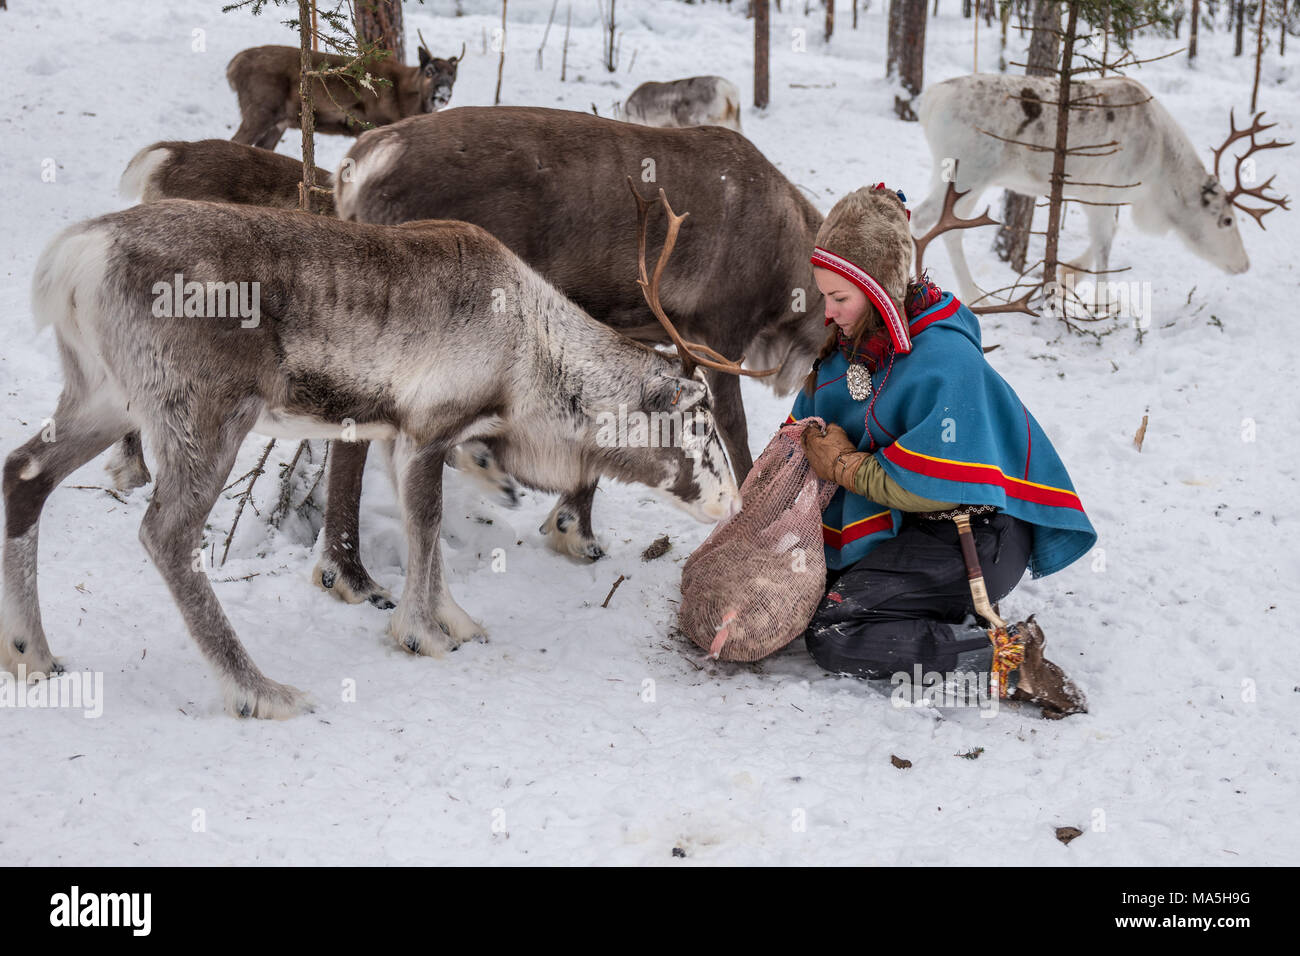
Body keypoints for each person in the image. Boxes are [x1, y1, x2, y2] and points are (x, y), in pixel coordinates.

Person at [787, 183, 1097, 714]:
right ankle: (928, 613)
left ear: (881, 289)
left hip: (977, 534)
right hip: (918, 531)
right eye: (824, 296)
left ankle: (1003, 660)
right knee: (808, 589)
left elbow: (929, 483)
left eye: (840, 298)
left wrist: (842, 464)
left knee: (835, 631)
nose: (829, 313)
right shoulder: (854, 353)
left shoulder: (944, 357)